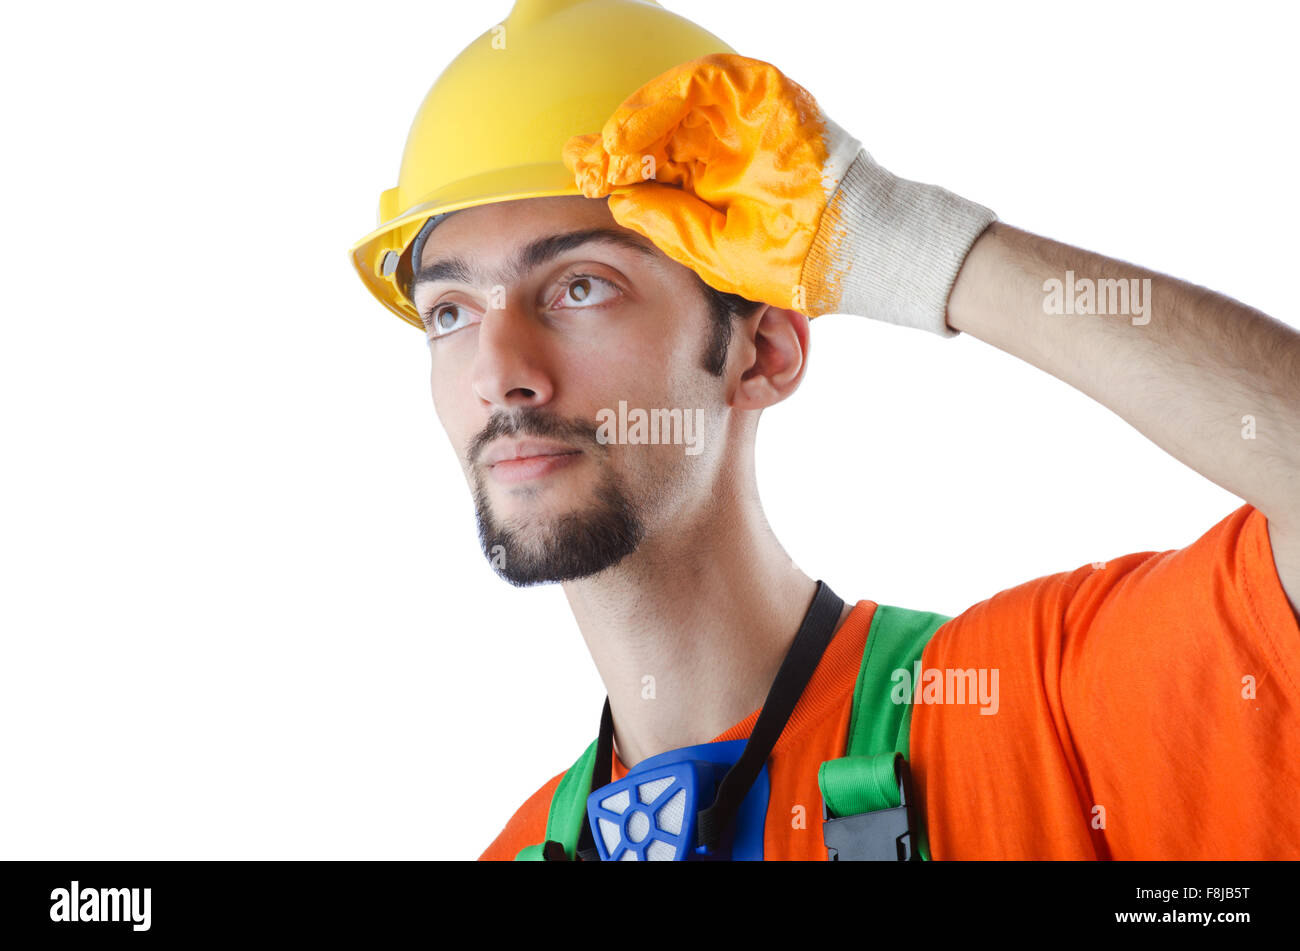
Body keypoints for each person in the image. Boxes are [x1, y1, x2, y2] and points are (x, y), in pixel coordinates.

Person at [349, 0, 1300, 860]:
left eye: (581, 285)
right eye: (450, 312)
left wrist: (895, 243)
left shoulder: (1032, 713)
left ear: (761, 351)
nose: (499, 370)